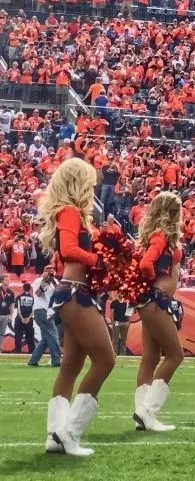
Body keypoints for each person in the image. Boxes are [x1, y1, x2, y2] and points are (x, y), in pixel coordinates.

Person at [40, 158, 114, 456]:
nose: (93, 185)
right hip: (75, 292)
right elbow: (69, 250)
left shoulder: (75, 214)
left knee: (71, 365)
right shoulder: (69, 211)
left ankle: (55, 436)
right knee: (106, 360)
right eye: (89, 180)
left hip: (75, 291)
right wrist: (99, 260)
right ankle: (69, 432)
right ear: (78, 182)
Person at [132, 192, 186, 432]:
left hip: (152, 301)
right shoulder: (161, 235)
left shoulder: (158, 235)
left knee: (151, 358)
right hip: (156, 300)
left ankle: (141, 411)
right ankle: (148, 412)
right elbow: (145, 264)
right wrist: (154, 283)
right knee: (176, 355)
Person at [29, 266, 60, 367]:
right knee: (53, 335)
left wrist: (53, 281)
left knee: (46, 339)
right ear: (44, 273)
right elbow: (38, 293)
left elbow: (60, 292)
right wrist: (45, 281)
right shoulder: (38, 281)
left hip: (49, 312)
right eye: (49, 272)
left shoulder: (54, 281)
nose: (51, 274)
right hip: (41, 311)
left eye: (52, 272)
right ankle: (56, 361)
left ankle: (33, 361)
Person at [14, 283, 36, 354]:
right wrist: (28, 318)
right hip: (29, 319)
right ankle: (32, 352)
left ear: (23, 288)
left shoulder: (19, 297)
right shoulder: (33, 298)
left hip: (19, 319)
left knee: (18, 336)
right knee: (30, 336)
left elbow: (18, 309)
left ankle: (18, 351)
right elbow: (33, 310)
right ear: (30, 289)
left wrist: (22, 318)